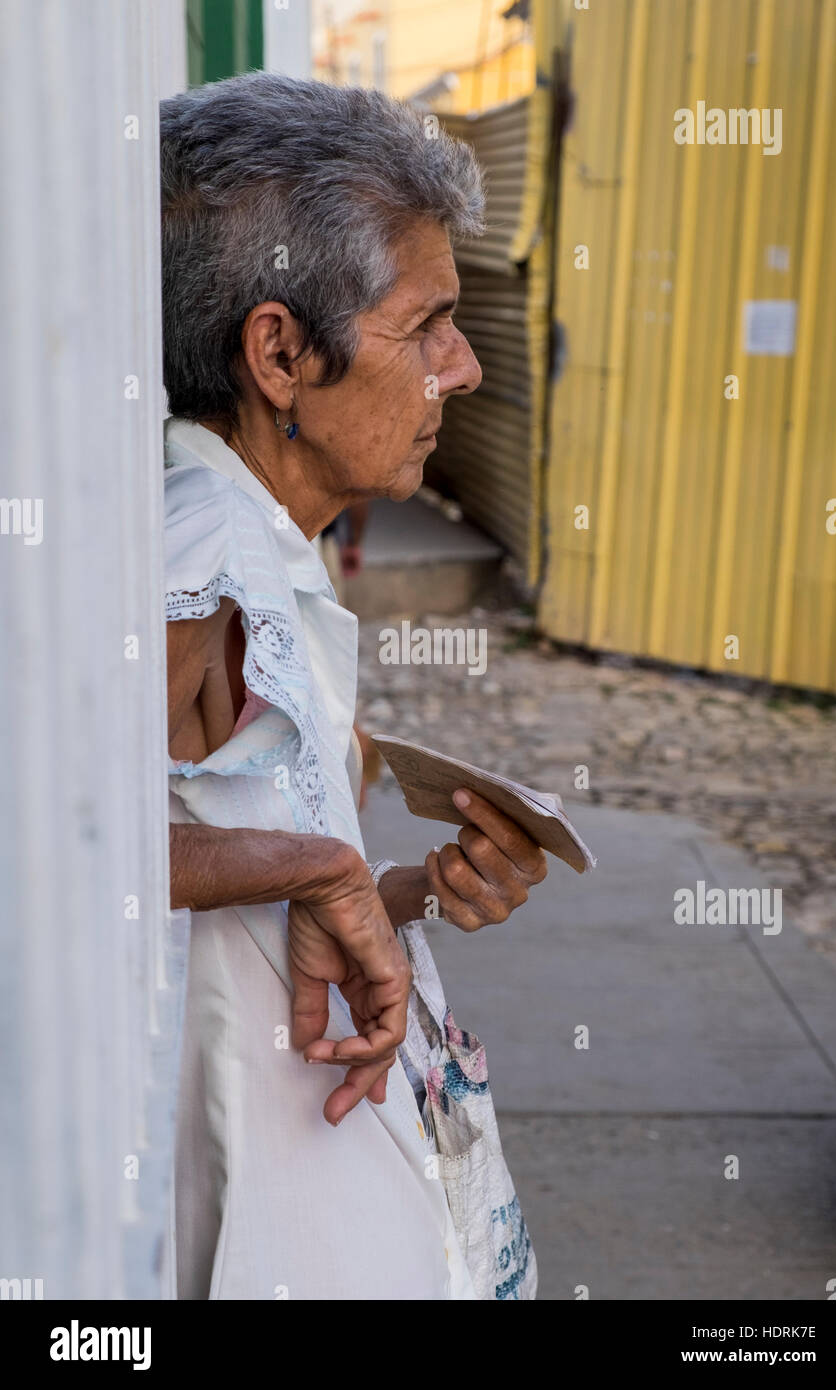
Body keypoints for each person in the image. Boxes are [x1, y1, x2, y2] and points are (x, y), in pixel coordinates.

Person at [160, 72, 547, 1301]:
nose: (466, 368)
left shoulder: (255, 536)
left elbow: (208, 869)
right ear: (280, 352)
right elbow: (45, 850)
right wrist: (322, 871)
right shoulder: (199, 552)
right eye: (426, 323)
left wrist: (398, 891)